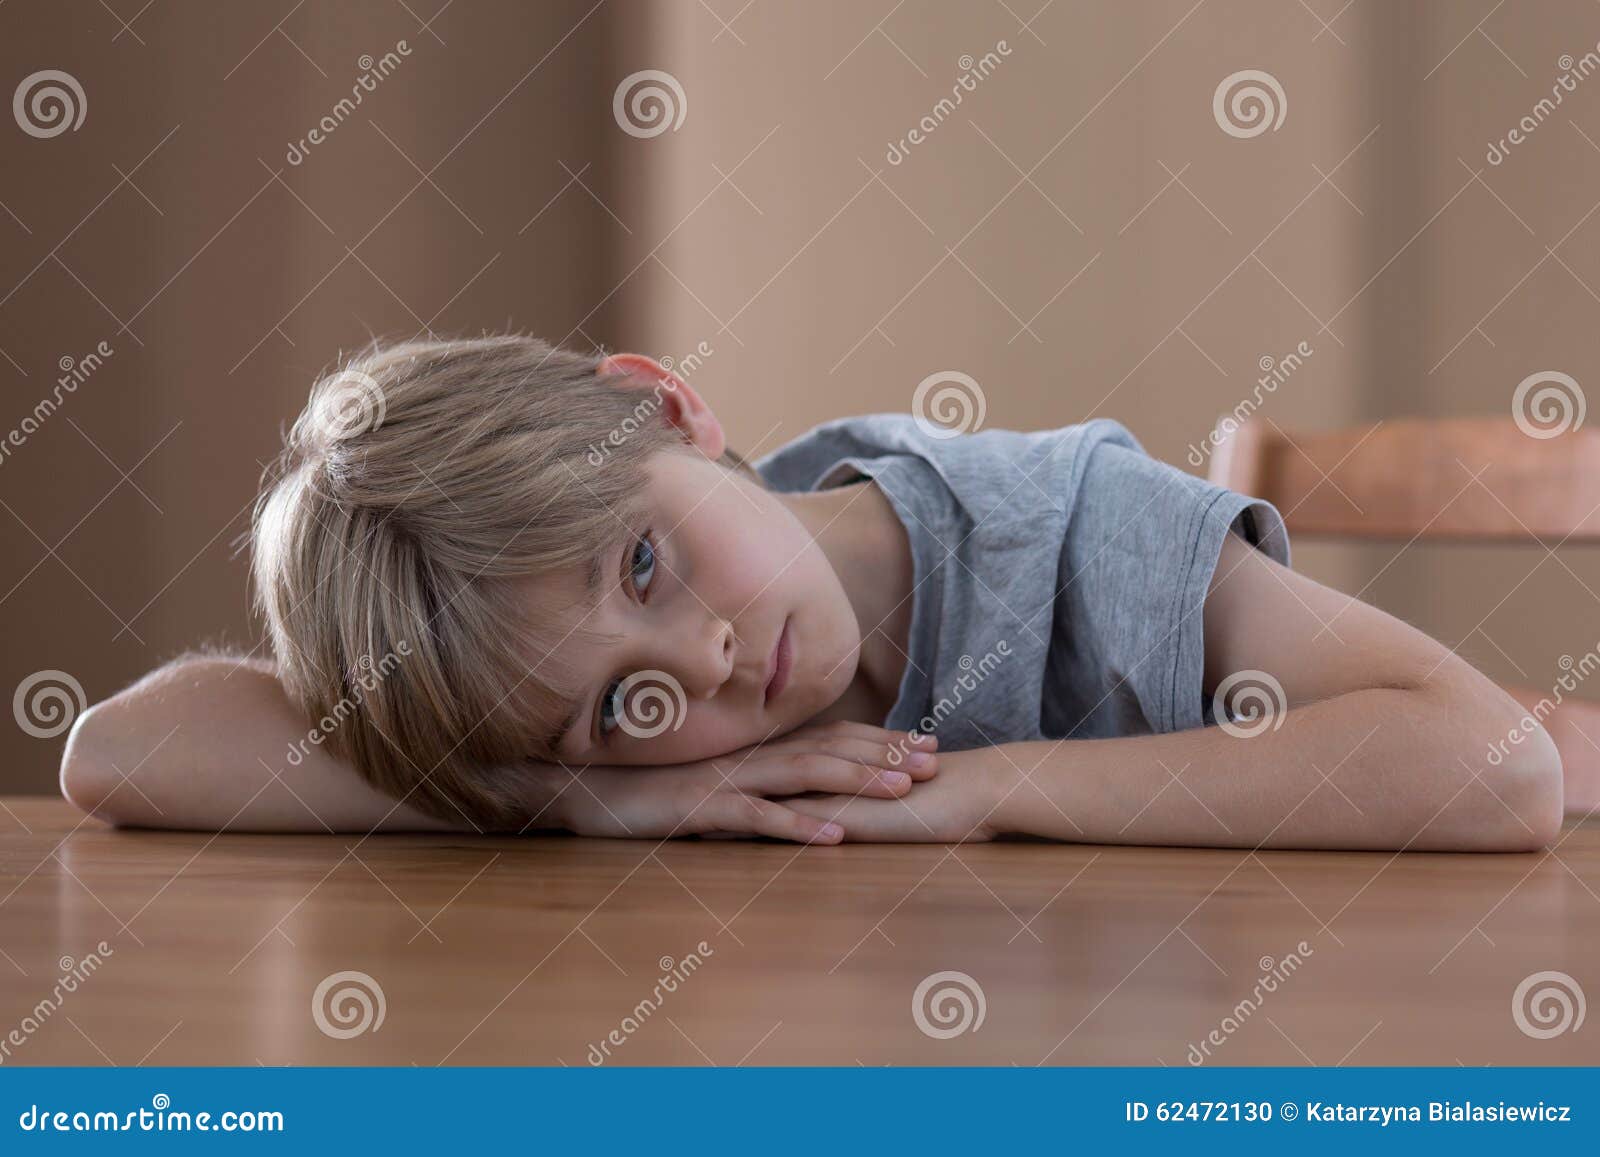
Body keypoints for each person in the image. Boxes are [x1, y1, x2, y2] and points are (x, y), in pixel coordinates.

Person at [59, 335, 1564, 850]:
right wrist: (581, 799)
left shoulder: (1073, 533)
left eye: (641, 562)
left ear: (661, 405)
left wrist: (989, 791)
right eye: (621, 703)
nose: (706, 658)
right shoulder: (642, 766)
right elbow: (122, 749)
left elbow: (1499, 767)